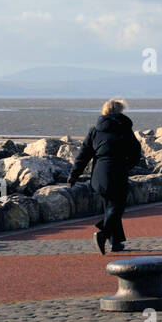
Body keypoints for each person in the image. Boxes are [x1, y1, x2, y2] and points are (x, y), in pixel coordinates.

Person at [68, 98, 143, 254]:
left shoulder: (94, 130)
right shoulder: (124, 129)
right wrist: (128, 166)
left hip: (99, 175)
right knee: (117, 207)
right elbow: (136, 152)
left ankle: (115, 243)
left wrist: (74, 175)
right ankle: (103, 233)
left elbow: (84, 155)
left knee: (110, 207)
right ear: (120, 111)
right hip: (118, 172)